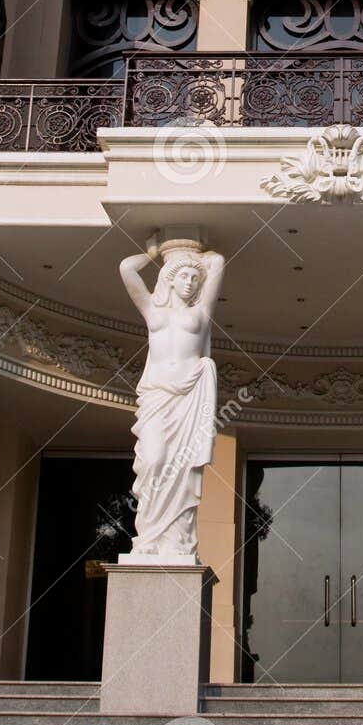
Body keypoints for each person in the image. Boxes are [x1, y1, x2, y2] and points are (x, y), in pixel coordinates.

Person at [118, 238, 224, 561]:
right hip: (158, 397)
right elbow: (126, 269)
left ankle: (176, 540)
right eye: (183, 277)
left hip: (189, 396)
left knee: (180, 469)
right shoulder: (153, 311)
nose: (190, 282)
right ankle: (148, 536)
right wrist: (152, 254)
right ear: (170, 279)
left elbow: (218, 261)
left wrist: (196, 255)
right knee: (153, 459)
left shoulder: (201, 314)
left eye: (194, 278)